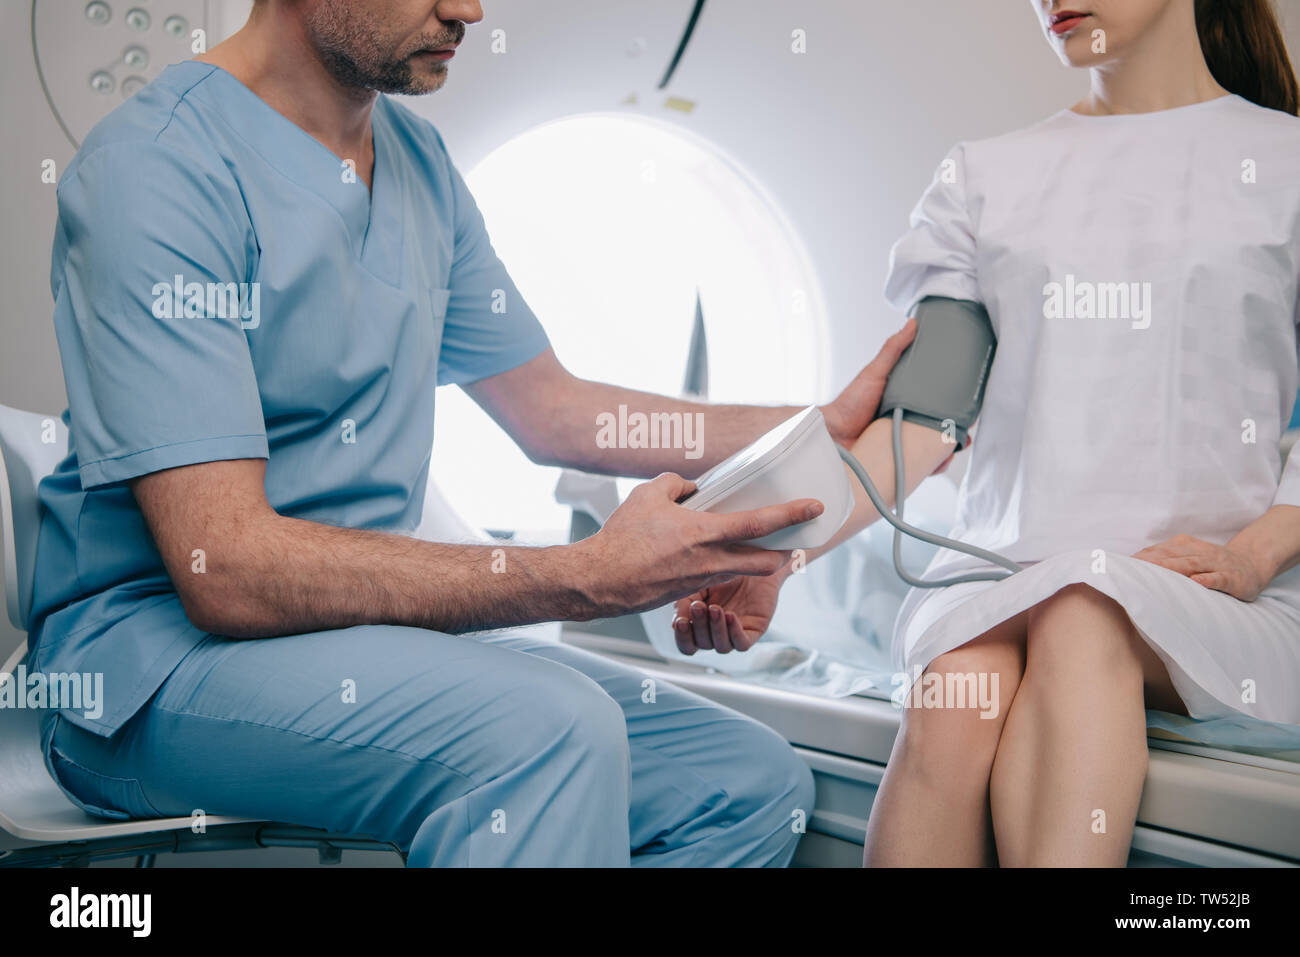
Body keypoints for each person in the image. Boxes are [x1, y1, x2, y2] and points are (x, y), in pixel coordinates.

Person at [28, 0, 936, 867]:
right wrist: (580, 578)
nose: (470, 11)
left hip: (356, 634)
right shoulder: (156, 169)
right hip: (156, 673)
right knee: (548, 729)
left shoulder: (415, 161)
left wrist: (815, 423)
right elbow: (220, 568)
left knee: (746, 783)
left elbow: (554, 411)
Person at [675, 0, 1300, 866]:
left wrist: (1255, 554)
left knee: (1084, 610)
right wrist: (785, 553)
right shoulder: (984, 178)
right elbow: (921, 428)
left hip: (1217, 594)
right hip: (1001, 577)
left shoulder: (1285, 163)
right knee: (963, 687)